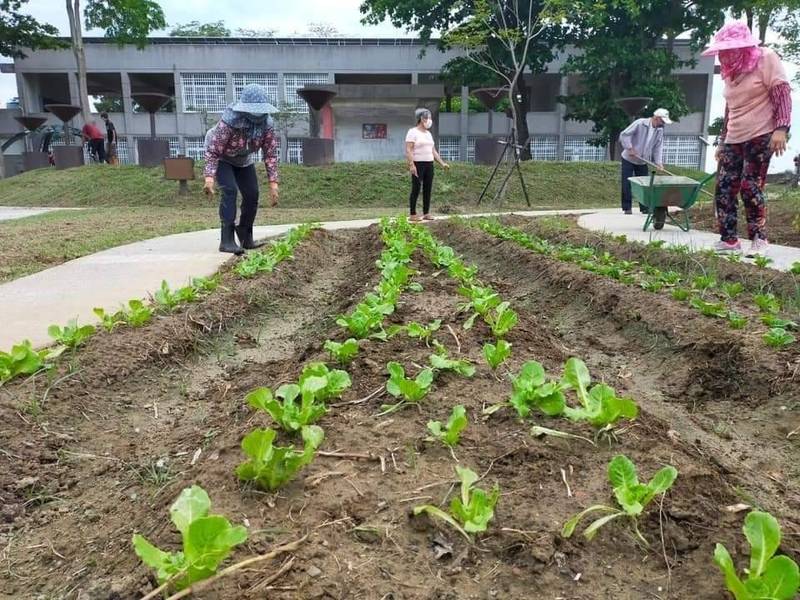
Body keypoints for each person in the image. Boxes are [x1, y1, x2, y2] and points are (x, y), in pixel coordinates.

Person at [702, 21, 791, 256]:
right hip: (734, 136)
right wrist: (722, 141)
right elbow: (730, 109)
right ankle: (729, 240)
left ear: (742, 47)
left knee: (749, 186)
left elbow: (782, 92)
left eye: (729, 50)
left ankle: (759, 238)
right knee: (724, 187)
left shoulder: (766, 58)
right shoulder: (730, 70)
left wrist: (781, 129)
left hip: (761, 134)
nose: (725, 55)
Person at [204, 84, 279, 255]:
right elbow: (213, 150)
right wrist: (209, 178)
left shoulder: (266, 124)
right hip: (222, 157)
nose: (257, 114)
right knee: (230, 190)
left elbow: (270, 154)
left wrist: (273, 184)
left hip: (243, 160)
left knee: (252, 194)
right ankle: (227, 240)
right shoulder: (231, 121)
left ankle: (245, 235)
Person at [618, 108, 672, 214]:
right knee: (627, 183)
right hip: (628, 158)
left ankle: (644, 207)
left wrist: (658, 162)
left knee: (645, 184)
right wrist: (629, 148)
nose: (663, 124)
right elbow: (624, 135)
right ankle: (627, 207)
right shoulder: (640, 123)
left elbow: (658, 147)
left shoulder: (659, 130)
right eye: (662, 121)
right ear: (656, 118)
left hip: (642, 160)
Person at [405, 108, 449, 222]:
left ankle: (426, 213)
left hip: (429, 163)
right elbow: (409, 150)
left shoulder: (428, 134)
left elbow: (433, 150)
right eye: (427, 118)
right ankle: (413, 214)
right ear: (421, 119)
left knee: (427, 188)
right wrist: (411, 164)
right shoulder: (412, 132)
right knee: (416, 188)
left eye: (430, 118)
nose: (429, 120)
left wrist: (442, 163)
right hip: (417, 163)